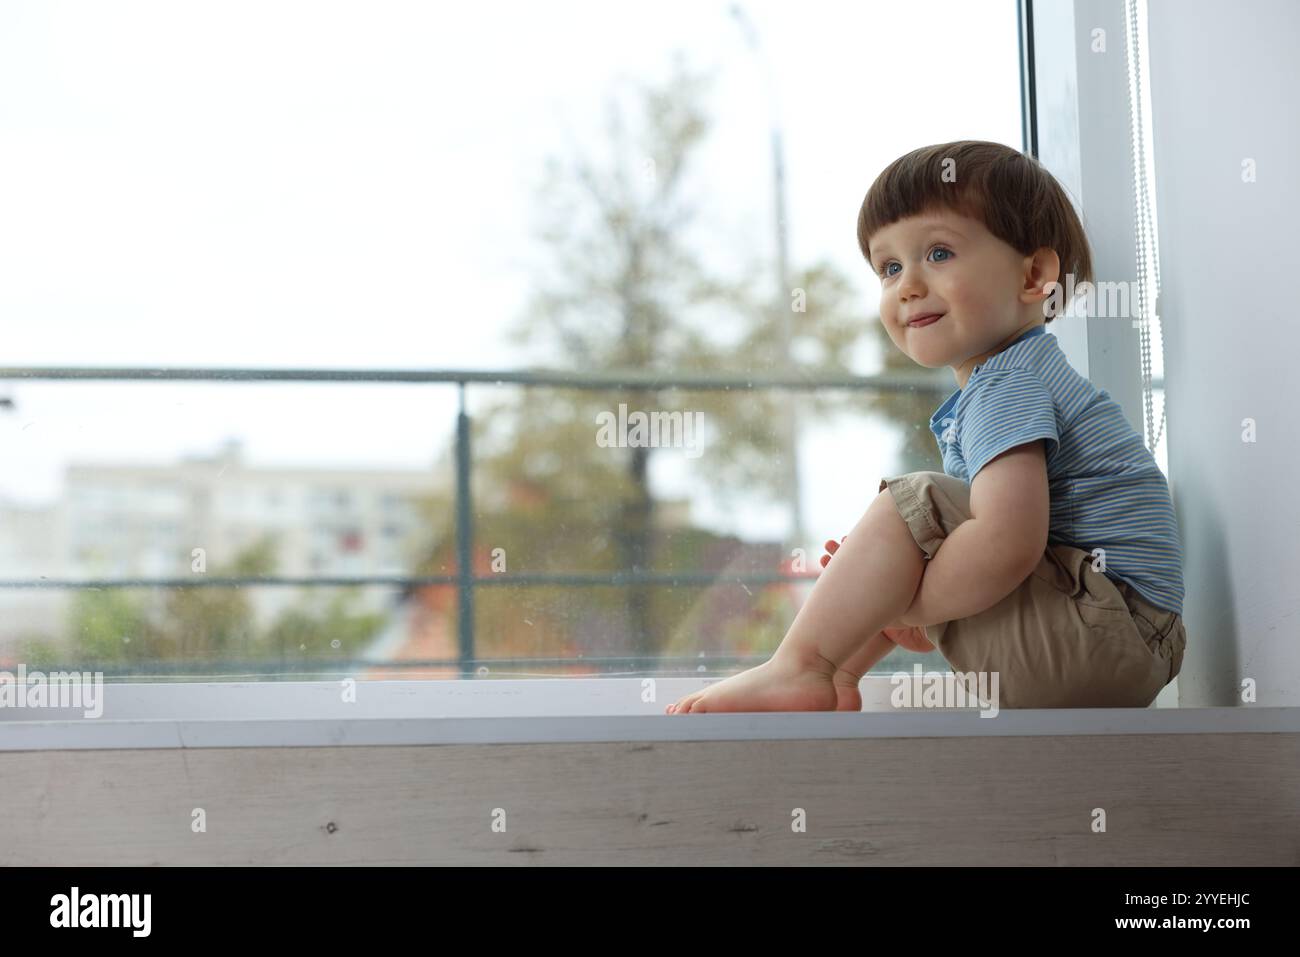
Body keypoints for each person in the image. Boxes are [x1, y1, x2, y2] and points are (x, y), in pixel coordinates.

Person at [667, 140, 1186, 713]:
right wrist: (889, 589)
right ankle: (835, 678)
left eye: (938, 253)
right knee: (899, 552)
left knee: (914, 503)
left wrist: (905, 602)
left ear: (1034, 274)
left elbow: (1009, 544)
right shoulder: (1024, 377)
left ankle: (801, 667)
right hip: (1115, 643)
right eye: (889, 267)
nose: (908, 284)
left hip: (1103, 634)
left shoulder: (1005, 384)